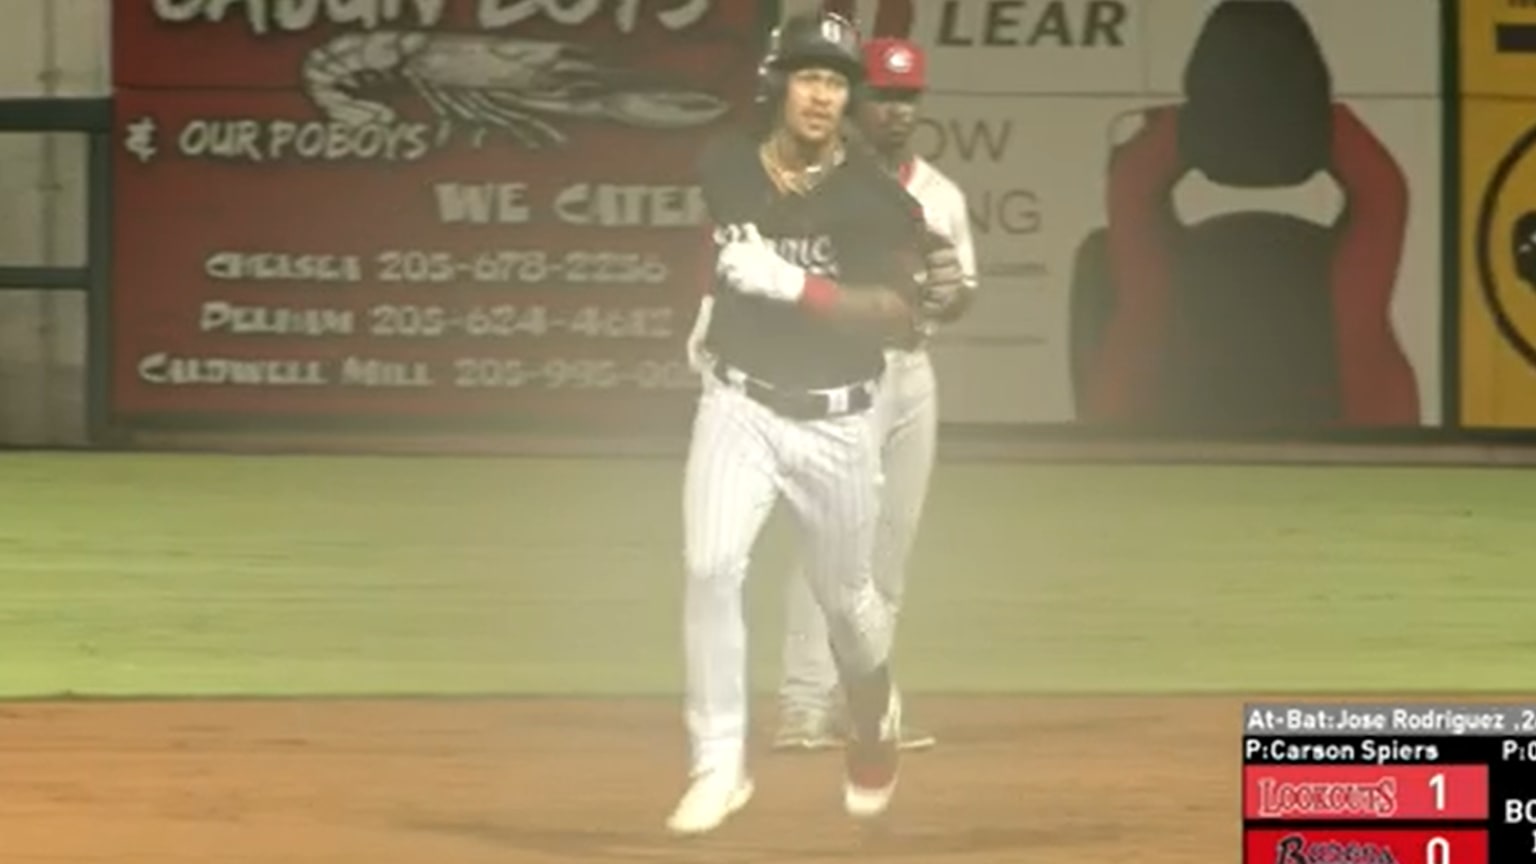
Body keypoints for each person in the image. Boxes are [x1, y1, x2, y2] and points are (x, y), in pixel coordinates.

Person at [668, 10, 963, 837]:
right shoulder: (726, 161)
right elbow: (728, 236)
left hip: (837, 420)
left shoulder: (872, 197)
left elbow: (903, 314)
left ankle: (871, 714)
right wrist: (709, 303)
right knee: (709, 567)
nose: (823, 95)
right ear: (778, 84)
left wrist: (800, 289)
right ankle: (717, 762)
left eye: (836, 81)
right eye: (809, 76)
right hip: (738, 403)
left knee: (848, 606)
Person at [770, 36, 978, 754]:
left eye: (908, 96)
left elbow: (961, 292)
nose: (897, 110)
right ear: (855, 103)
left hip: (913, 374)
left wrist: (946, 295)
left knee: (890, 549)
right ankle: (802, 704)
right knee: (827, 544)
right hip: (839, 373)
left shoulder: (940, 194)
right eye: (884, 96)